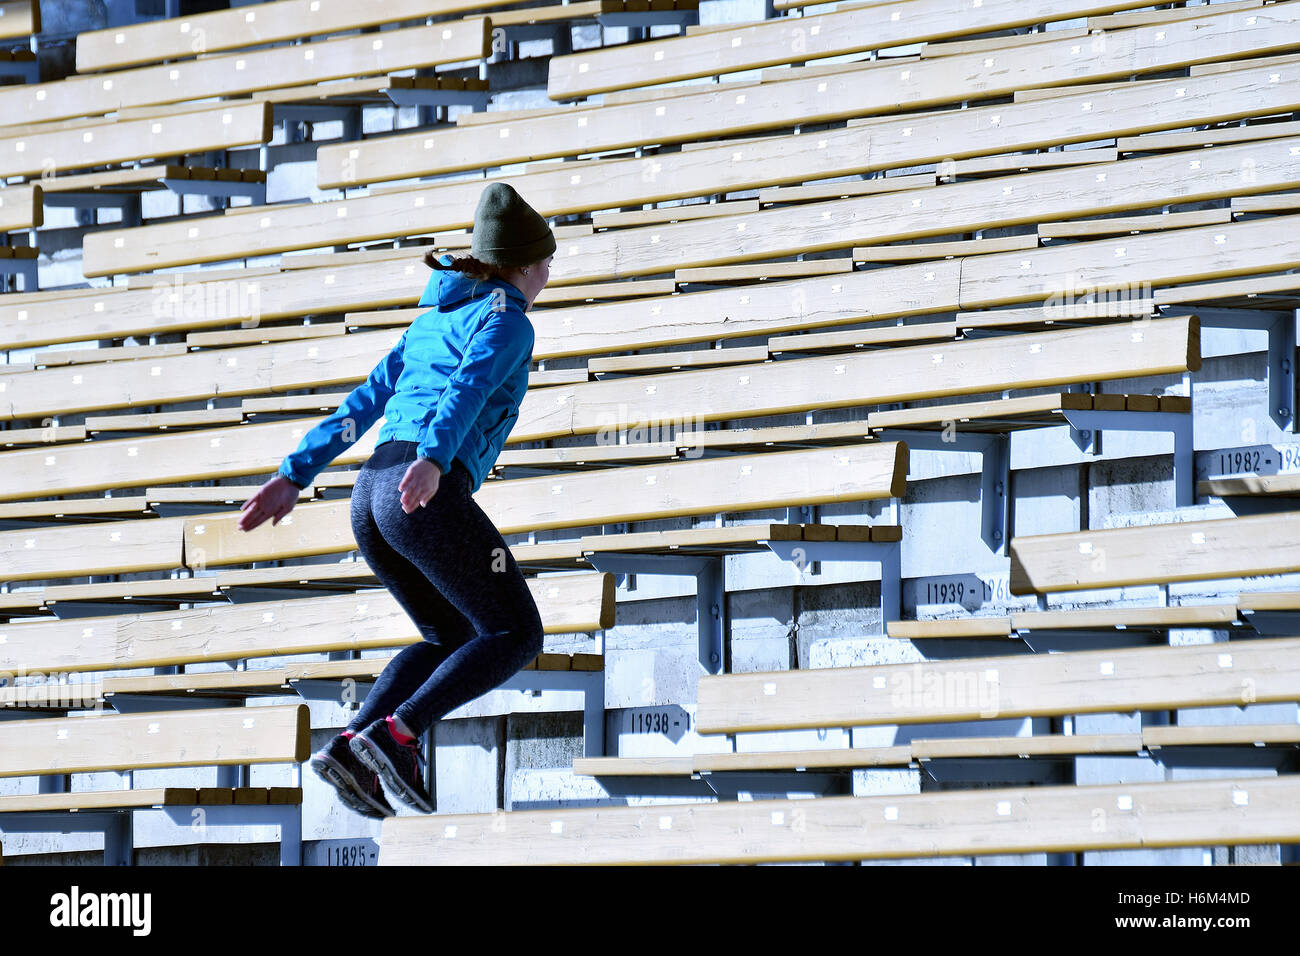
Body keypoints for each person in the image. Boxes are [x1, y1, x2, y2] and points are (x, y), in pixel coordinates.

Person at [237, 182, 555, 817]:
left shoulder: (431, 320)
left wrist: (294, 474)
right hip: (419, 490)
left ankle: (356, 743)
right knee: (516, 633)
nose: (550, 273)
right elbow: (469, 385)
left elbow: (364, 402)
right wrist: (437, 459)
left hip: (370, 495)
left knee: (451, 635)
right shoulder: (508, 320)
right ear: (523, 263)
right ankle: (399, 735)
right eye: (548, 260)